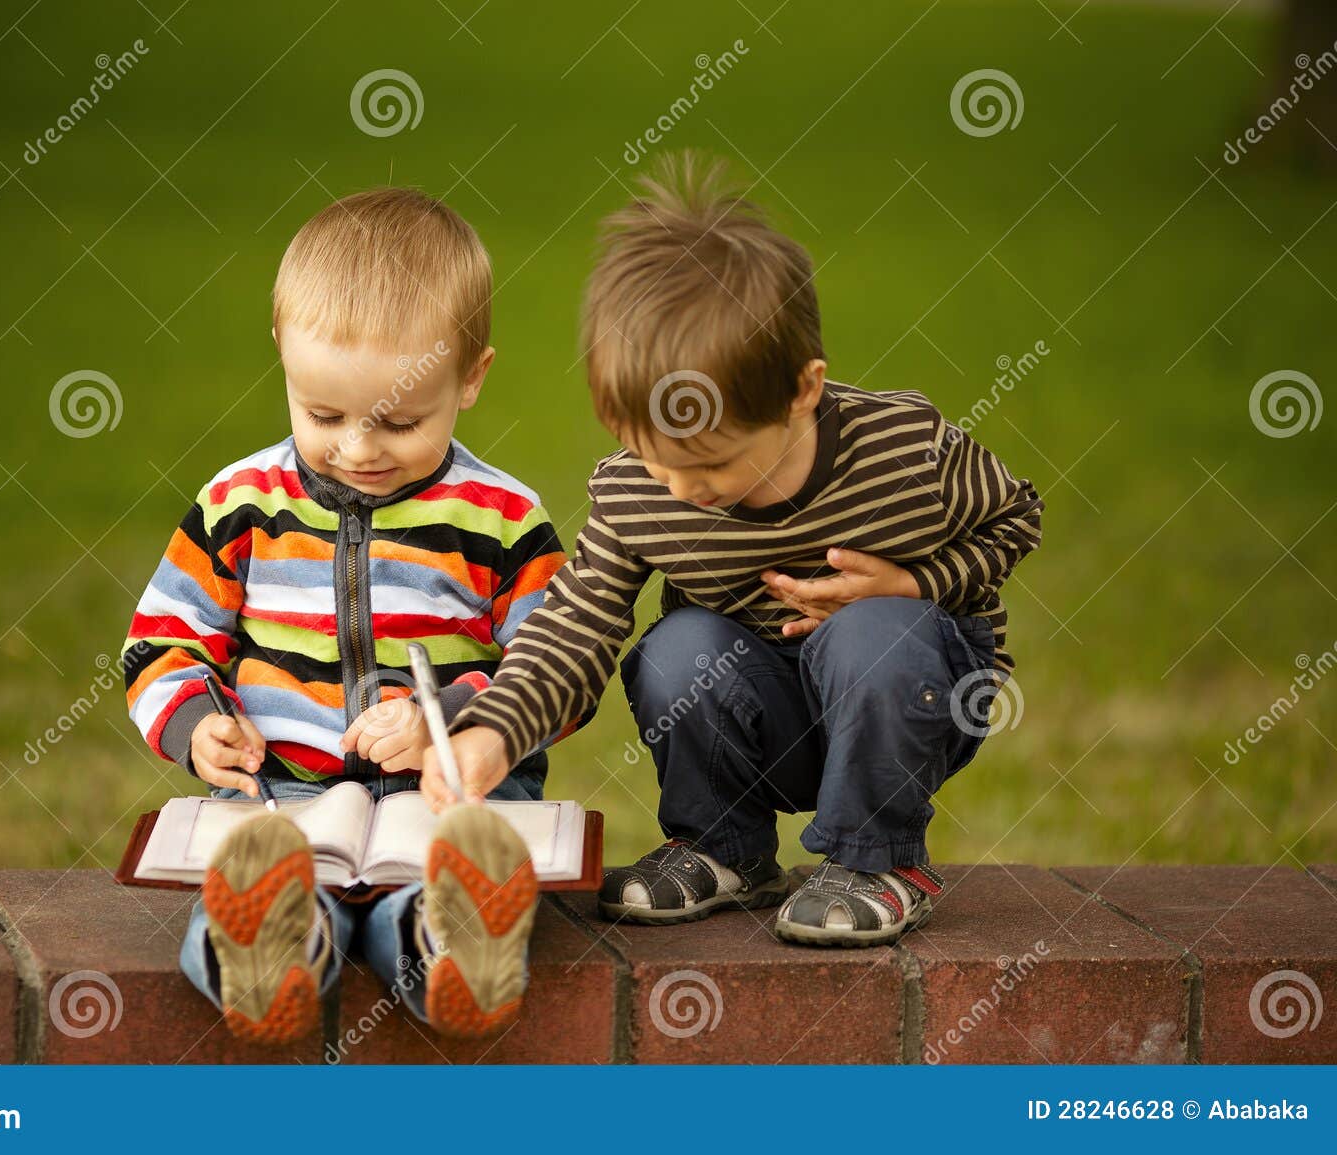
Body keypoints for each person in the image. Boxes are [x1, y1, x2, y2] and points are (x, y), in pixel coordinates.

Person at [424, 154, 1045, 947]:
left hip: (910, 695)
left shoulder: (903, 450)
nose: (682, 488)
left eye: (712, 463)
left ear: (802, 391)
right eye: (655, 458)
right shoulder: (639, 494)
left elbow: (1015, 518)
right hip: (765, 708)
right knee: (675, 648)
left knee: (869, 629)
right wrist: (495, 729)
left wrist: (914, 580)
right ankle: (723, 845)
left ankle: (879, 857)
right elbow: (574, 625)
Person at [122, 187, 578, 1041]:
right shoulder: (240, 504)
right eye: (323, 414)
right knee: (267, 890)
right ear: (284, 360)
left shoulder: (502, 517)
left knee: (425, 887)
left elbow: (560, 667)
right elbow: (160, 640)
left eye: (401, 421)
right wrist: (195, 722)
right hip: (283, 799)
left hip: (447, 796)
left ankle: (453, 938)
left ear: (472, 377)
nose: (359, 449)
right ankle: (273, 950)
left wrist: (450, 713)